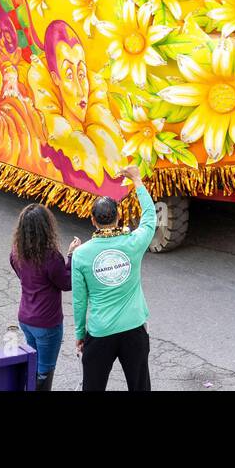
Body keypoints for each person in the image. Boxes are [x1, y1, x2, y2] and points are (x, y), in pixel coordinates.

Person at [72, 164, 156, 391]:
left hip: (100, 333)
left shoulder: (80, 255)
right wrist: (137, 180)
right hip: (134, 329)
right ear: (119, 218)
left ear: (92, 220)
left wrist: (80, 334)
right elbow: (149, 219)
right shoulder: (133, 243)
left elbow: (79, 301)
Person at [10, 204, 79, 390]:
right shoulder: (50, 256)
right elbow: (66, 283)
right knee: (45, 370)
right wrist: (71, 256)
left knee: (33, 365)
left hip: (26, 318)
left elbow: (22, 274)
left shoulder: (17, 252)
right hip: (47, 323)